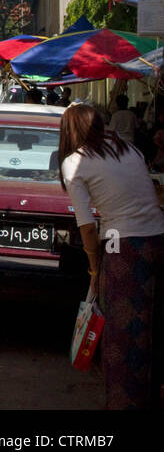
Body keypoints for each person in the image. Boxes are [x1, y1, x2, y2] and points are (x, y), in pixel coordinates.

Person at [58, 104, 164, 409]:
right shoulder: (129, 150)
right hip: (157, 240)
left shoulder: (75, 162)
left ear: (70, 131)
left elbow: (87, 228)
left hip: (125, 249)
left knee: (122, 338)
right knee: (152, 332)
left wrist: (94, 270)